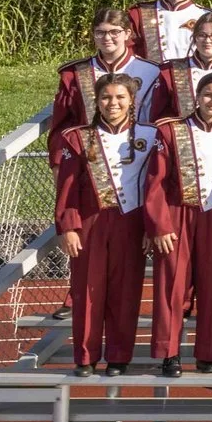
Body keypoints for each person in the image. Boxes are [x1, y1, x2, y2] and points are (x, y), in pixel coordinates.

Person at [142, 73, 212, 375]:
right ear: (196, 96)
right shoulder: (171, 131)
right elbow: (156, 184)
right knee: (171, 285)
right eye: (207, 94)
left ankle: (206, 352)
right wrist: (159, 226)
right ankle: (169, 352)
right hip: (176, 215)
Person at [54, 74, 159, 376]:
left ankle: (118, 355)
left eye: (119, 98)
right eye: (106, 98)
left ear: (131, 101)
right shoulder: (76, 137)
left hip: (132, 221)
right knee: (87, 289)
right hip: (90, 221)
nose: (113, 103)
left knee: (125, 291)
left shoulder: (150, 136)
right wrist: (69, 226)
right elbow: (67, 187)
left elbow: (156, 187)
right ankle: (85, 356)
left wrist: (153, 227)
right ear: (96, 101)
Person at [50, 10, 162, 168]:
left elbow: (161, 119)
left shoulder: (153, 72)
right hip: (90, 158)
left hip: (142, 155)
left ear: (127, 33)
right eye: (100, 33)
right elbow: (62, 125)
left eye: (114, 32)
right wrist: (57, 164)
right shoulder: (75, 73)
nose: (107, 38)